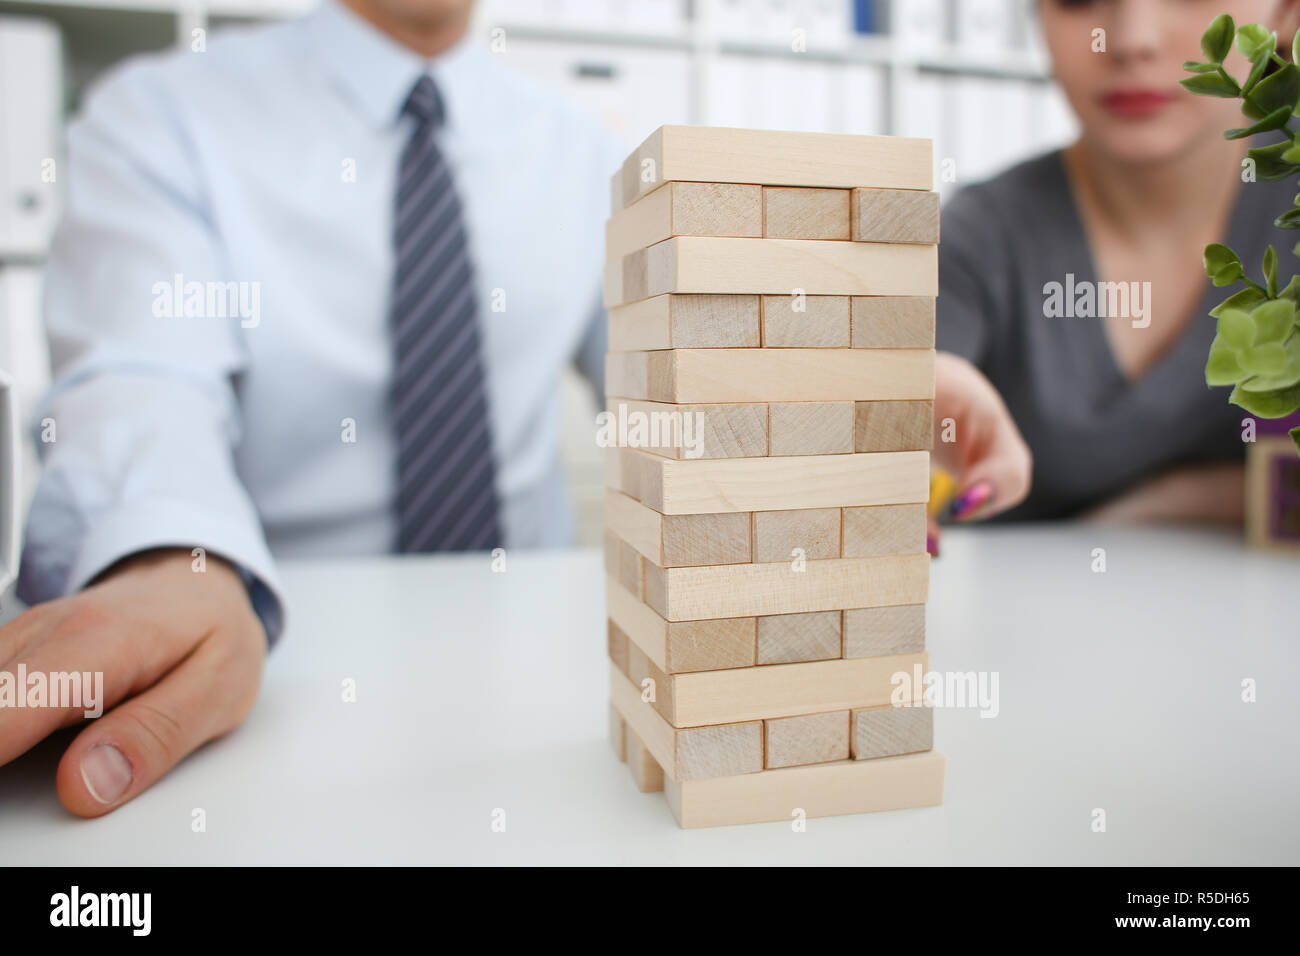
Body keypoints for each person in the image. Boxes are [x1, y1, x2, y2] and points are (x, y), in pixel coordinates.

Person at [1, 0, 1034, 816]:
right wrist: (170, 554)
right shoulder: (161, 116)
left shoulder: (585, 150)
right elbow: (143, 376)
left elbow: (664, 381)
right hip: (282, 662)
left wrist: (829, 386)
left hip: (533, 660)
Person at [933, 0, 1300, 535]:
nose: (1132, 41)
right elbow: (901, 403)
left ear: (1287, 12)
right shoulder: (975, 237)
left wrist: (1191, 501)